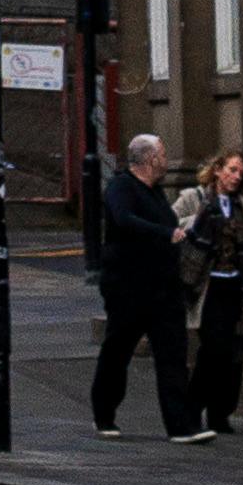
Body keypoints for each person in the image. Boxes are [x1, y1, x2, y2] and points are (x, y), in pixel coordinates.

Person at [89, 127, 197, 436]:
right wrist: (166, 234)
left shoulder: (157, 192)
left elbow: (168, 223)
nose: (166, 159)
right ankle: (104, 414)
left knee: (173, 354)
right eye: (163, 154)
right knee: (118, 350)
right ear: (149, 159)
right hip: (128, 287)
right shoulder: (120, 188)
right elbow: (124, 220)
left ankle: (181, 426)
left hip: (164, 288)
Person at [182, 150, 243, 437]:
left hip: (237, 286)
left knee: (235, 353)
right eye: (232, 170)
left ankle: (220, 413)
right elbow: (174, 226)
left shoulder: (241, 205)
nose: (235, 177)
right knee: (213, 349)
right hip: (209, 287)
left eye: (240, 173)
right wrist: (196, 221)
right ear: (217, 169)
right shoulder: (195, 198)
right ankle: (193, 407)